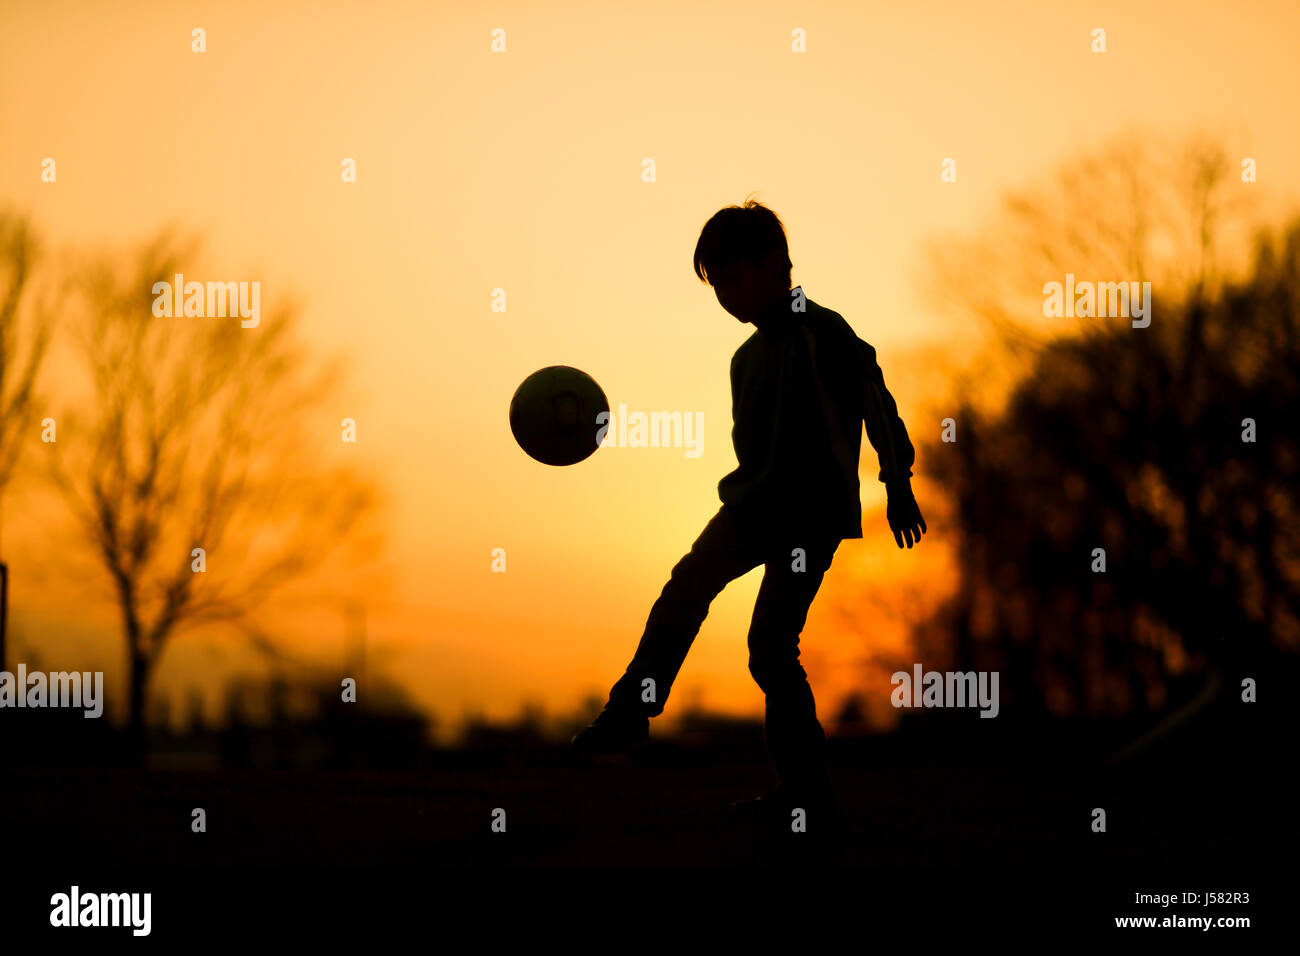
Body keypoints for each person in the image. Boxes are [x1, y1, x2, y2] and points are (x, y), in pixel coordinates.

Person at [572, 198, 926, 831]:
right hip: (752, 507)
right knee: (687, 586)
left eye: (736, 278)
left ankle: (804, 797)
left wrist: (896, 481)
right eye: (718, 285)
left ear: (777, 266)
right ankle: (631, 712)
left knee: (769, 649)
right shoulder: (747, 357)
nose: (729, 296)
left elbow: (877, 399)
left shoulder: (824, 332)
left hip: (809, 517)